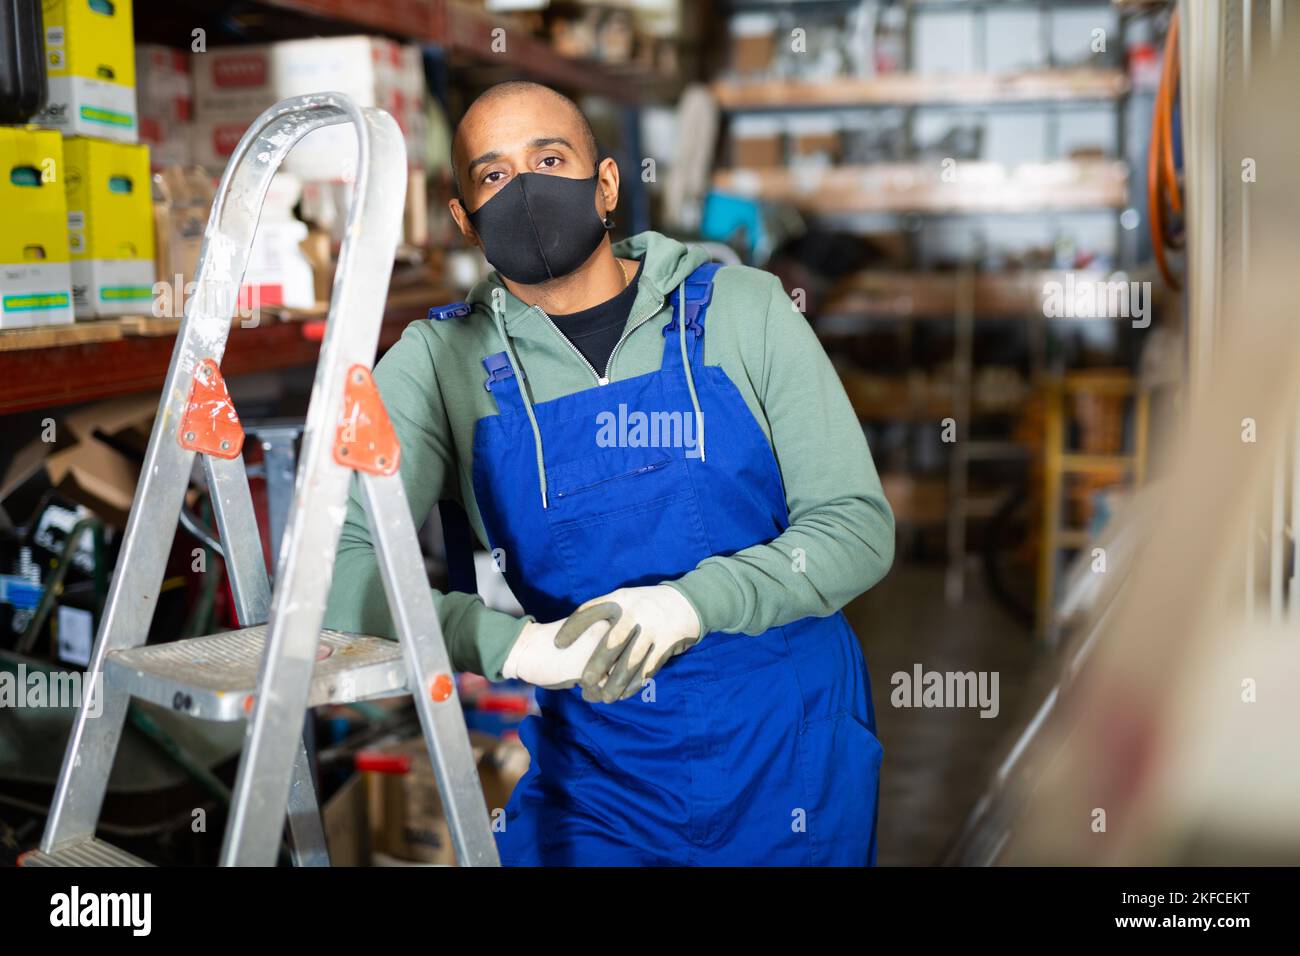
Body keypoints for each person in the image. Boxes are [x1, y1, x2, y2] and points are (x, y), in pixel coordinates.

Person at [323, 80, 895, 866]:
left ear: (606, 184)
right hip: (598, 776)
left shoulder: (744, 310)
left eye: (549, 158)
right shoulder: (437, 363)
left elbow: (855, 526)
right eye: (492, 175)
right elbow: (335, 567)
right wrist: (509, 647)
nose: (524, 189)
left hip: (788, 746)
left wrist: (691, 605)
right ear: (462, 218)